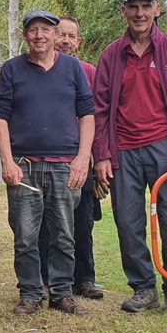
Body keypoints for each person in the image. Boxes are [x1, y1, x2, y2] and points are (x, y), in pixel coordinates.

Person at [92, 0, 167, 318]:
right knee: (127, 221)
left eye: (145, 6)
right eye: (133, 7)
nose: (139, 13)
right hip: (123, 150)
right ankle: (143, 288)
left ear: (157, 9)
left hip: (165, 148)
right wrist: (102, 155)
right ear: (124, 12)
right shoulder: (112, 55)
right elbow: (100, 109)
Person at [0, 11, 95, 315]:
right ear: (25, 35)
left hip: (65, 165)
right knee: (25, 235)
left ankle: (62, 293)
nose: (39, 35)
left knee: (64, 233)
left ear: (55, 34)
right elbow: (0, 118)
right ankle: (30, 293)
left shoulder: (73, 68)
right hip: (24, 166)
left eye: (46, 30)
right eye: (33, 30)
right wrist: (7, 161)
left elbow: (87, 114)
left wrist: (82, 159)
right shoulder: (12, 69)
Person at [48, 15, 103, 300]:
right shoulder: (41, 70)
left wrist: (97, 160)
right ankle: (50, 279)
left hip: (82, 159)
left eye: (72, 36)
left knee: (82, 222)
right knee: (49, 223)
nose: (66, 41)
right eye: (61, 34)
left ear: (79, 42)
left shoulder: (89, 72)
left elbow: (97, 117)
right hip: (49, 158)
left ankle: (84, 278)